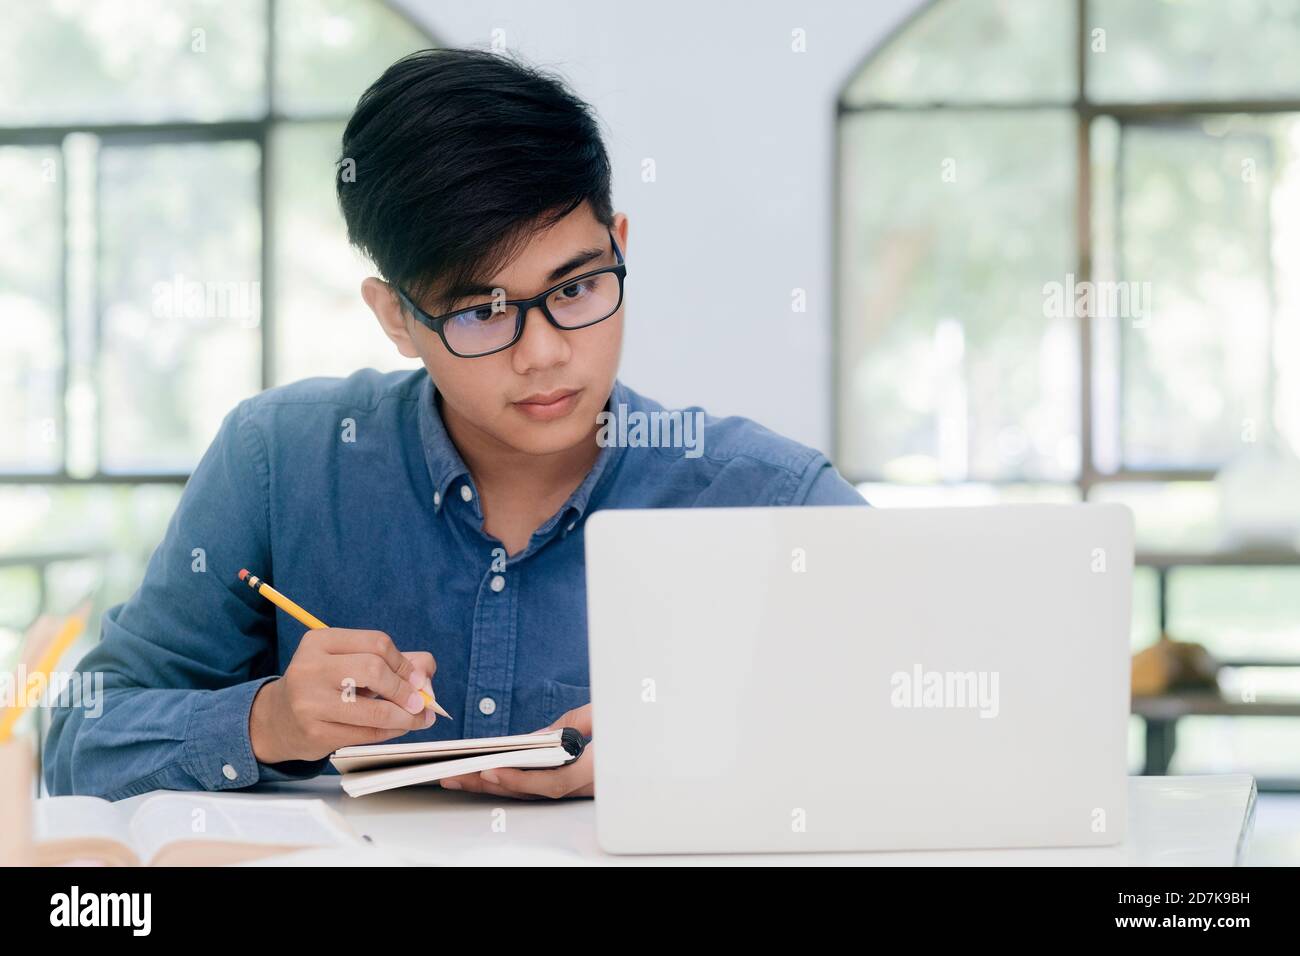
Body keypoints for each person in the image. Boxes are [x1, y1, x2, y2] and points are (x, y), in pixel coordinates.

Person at [45, 48, 865, 801]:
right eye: (482, 311)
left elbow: (947, 714)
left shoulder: (767, 496)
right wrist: (268, 722)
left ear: (619, 246)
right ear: (395, 318)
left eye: (576, 289)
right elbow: (79, 741)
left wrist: (685, 746)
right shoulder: (278, 461)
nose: (544, 354)